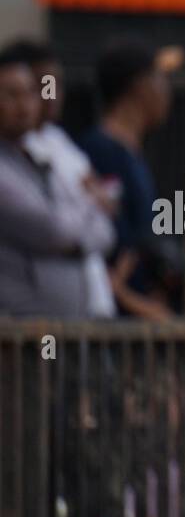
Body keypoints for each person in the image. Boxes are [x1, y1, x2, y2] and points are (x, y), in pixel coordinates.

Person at [0, 43, 114, 317]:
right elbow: (53, 229)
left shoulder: (53, 147)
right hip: (24, 330)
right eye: (12, 95)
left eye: (29, 93)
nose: (28, 103)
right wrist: (91, 202)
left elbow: (105, 232)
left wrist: (77, 228)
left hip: (79, 318)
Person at [79, 39, 182, 320]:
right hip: (113, 320)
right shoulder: (98, 152)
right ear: (139, 86)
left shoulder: (134, 153)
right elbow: (110, 244)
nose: (167, 91)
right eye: (160, 79)